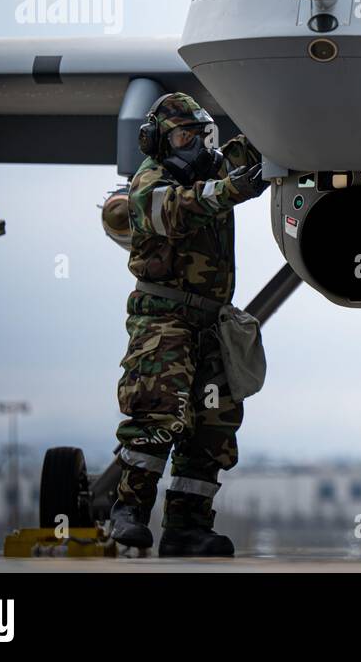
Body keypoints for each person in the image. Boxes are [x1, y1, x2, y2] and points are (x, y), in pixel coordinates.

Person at [108, 92, 269, 556]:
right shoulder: (149, 182)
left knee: (213, 426)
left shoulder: (215, 168)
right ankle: (129, 512)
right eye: (183, 136)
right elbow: (177, 209)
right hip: (164, 317)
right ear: (160, 141)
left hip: (211, 320)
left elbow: (263, 144)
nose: (194, 145)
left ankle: (187, 525)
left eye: (200, 135)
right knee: (157, 413)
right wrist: (235, 188)